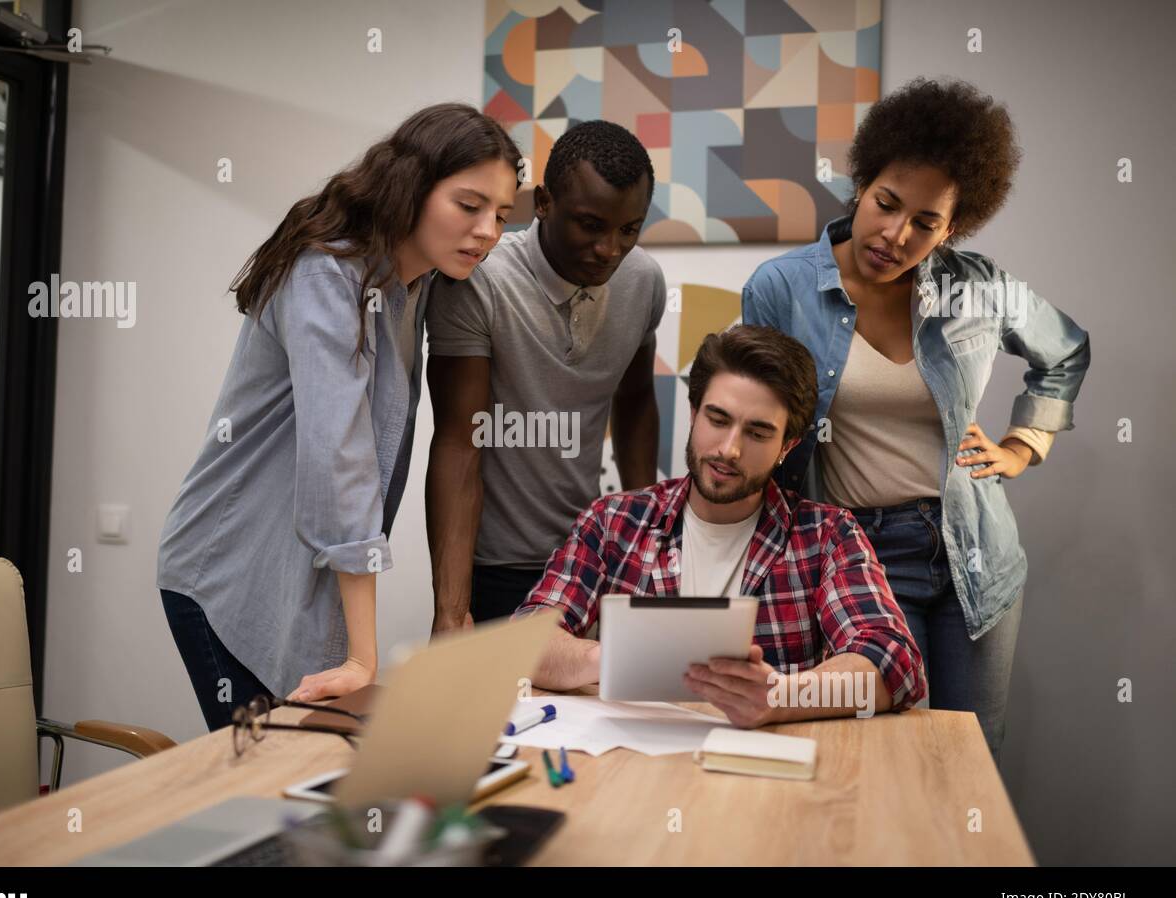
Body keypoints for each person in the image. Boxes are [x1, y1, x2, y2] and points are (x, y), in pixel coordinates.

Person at [742, 78, 1090, 759]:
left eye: (925, 223)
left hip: (975, 553)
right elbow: (760, 425)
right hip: (859, 554)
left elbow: (1066, 351)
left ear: (954, 226)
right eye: (886, 204)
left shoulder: (979, 287)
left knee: (971, 757)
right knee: (885, 754)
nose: (895, 235)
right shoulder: (781, 289)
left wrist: (1025, 444)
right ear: (863, 182)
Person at [157, 104, 521, 731]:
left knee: (300, 782)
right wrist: (362, 654)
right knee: (258, 778)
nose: (488, 230)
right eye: (469, 206)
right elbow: (339, 459)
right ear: (413, 188)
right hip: (230, 571)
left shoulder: (419, 281)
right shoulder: (327, 272)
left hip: (304, 579)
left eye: (502, 215)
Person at [515, 325, 926, 727]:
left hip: (759, 775)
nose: (729, 449)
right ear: (693, 414)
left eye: (758, 432)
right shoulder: (613, 521)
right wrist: (606, 658)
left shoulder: (827, 535)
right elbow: (522, 642)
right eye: (718, 419)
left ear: (787, 446)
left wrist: (781, 698)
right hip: (633, 766)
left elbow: (894, 662)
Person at [425, 119, 666, 630]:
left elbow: (637, 401)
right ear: (544, 202)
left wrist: (646, 544)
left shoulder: (643, 280)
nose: (610, 249)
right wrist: (450, 609)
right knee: (499, 711)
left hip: (589, 560)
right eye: (590, 225)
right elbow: (458, 443)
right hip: (495, 566)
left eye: (628, 229)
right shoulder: (479, 281)